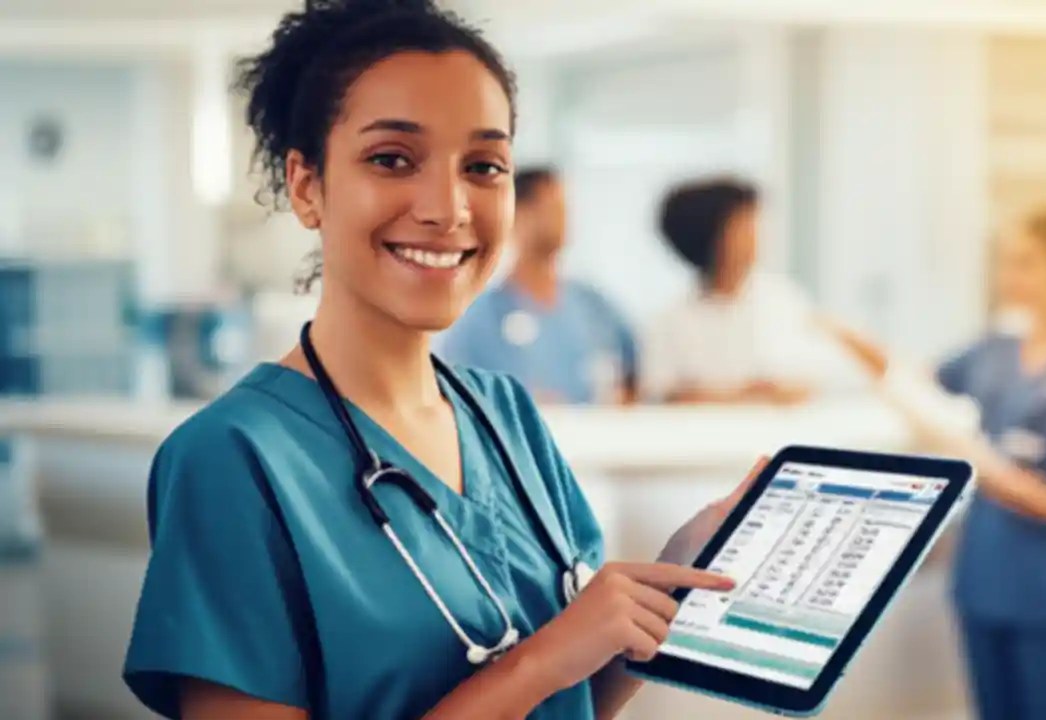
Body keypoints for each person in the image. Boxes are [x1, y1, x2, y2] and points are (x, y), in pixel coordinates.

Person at [120, 3, 758, 718]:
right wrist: (543, 660)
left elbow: (568, 703)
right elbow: (544, 672)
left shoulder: (504, 416)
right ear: (307, 187)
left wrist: (670, 581)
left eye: (483, 166)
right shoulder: (232, 460)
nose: (449, 207)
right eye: (392, 159)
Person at [826, 192, 1046, 720]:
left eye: (1025, 262)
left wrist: (1036, 497)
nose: (1009, 274)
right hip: (984, 584)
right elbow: (917, 384)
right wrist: (848, 341)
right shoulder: (993, 353)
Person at [642, 177, 856, 405]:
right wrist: (747, 394)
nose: (755, 236)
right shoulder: (671, 320)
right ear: (711, 235)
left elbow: (815, 378)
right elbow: (663, 394)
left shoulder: (784, 300)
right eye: (742, 226)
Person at [437, 167, 638, 404]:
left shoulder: (593, 306)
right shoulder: (480, 319)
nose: (563, 220)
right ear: (516, 215)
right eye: (551, 209)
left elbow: (633, 375)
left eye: (564, 209)